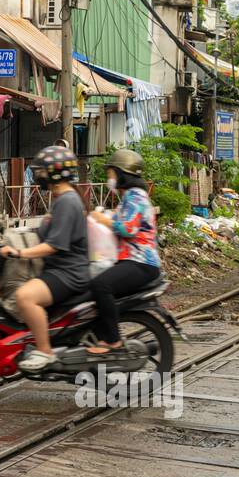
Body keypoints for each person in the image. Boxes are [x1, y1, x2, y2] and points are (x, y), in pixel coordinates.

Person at [0, 145, 90, 373]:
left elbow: (52, 245)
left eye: (41, 172)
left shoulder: (68, 202)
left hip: (68, 272)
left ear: (53, 174)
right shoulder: (61, 199)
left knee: (25, 297)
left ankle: (44, 351)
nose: (37, 177)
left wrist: (19, 253)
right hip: (58, 269)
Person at [86, 149, 162, 356]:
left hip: (141, 262)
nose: (109, 178)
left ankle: (113, 339)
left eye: (111, 174)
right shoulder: (128, 197)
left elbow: (127, 228)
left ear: (122, 174)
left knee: (101, 285)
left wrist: (104, 220)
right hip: (130, 260)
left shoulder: (136, 197)